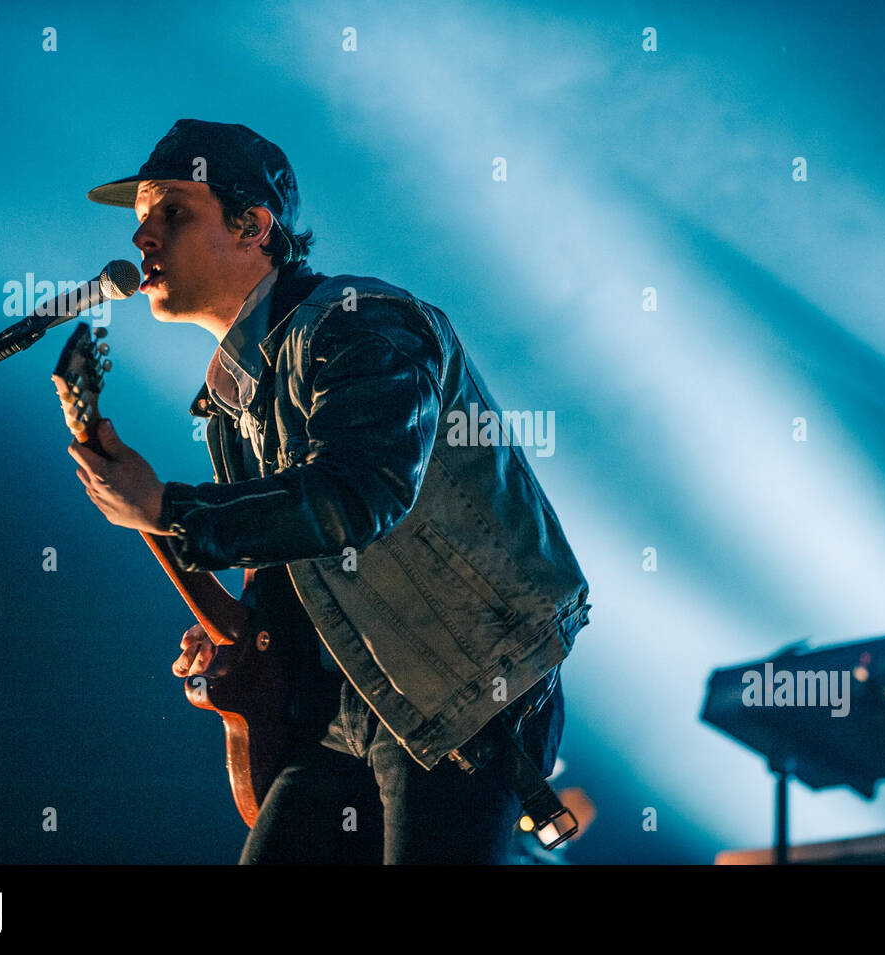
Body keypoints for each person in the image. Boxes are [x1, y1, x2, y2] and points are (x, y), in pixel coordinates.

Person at [67, 119, 591, 863]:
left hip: (458, 691)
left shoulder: (361, 325)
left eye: (172, 212)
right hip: (339, 707)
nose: (143, 237)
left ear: (253, 225)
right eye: (142, 218)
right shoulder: (228, 398)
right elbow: (293, 562)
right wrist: (239, 629)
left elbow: (357, 496)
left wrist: (169, 509)